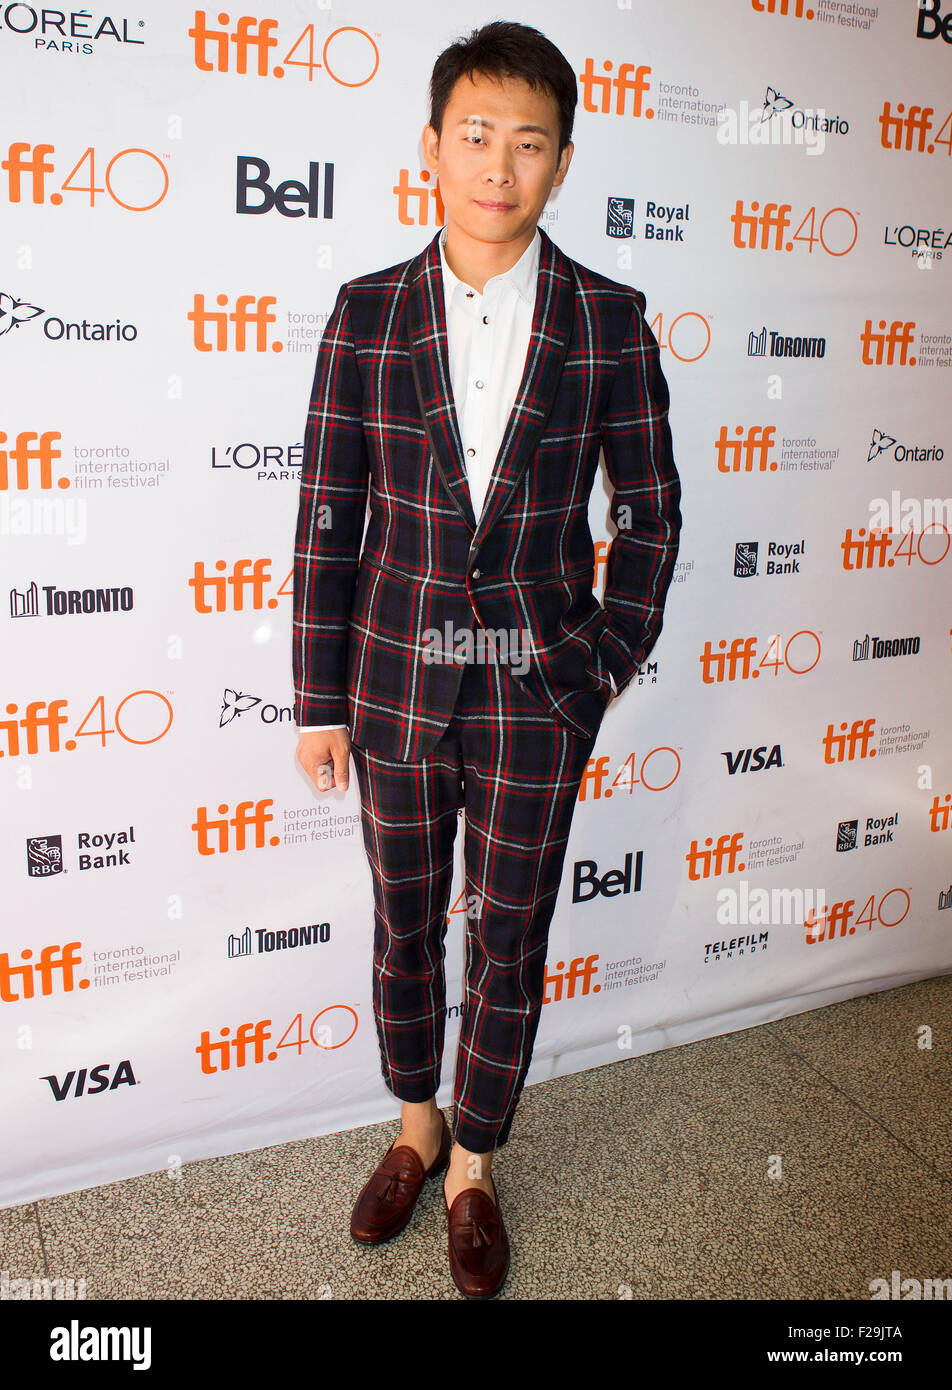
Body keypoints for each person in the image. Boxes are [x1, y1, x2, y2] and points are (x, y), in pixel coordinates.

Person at [292, 19, 681, 1298]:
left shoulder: (609, 321)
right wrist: (316, 699)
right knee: (407, 929)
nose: (498, 167)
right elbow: (328, 515)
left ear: (561, 163)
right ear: (431, 148)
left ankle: (473, 1165)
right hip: (392, 690)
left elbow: (651, 513)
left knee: (509, 938)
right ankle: (412, 1131)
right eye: (476, 138)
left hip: (537, 695)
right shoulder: (365, 315)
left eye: (527, 144)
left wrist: (597, 666)